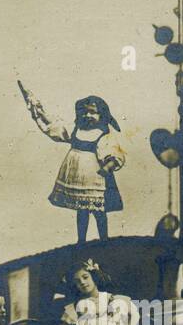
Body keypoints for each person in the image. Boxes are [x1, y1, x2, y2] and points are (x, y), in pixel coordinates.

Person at [28, 93, 127, 244]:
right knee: (82, 210)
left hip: (95, 177)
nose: (88, 115)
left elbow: (113, 152)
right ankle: (81, 240)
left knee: (98, 211)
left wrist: (108, 166)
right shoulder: (76, 130)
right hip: (76, 176)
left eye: (93, 112)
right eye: (85, 112)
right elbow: (55, 128)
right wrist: (39, 113)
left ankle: (104, 240)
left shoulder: (104, 134)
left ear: (102, 114)